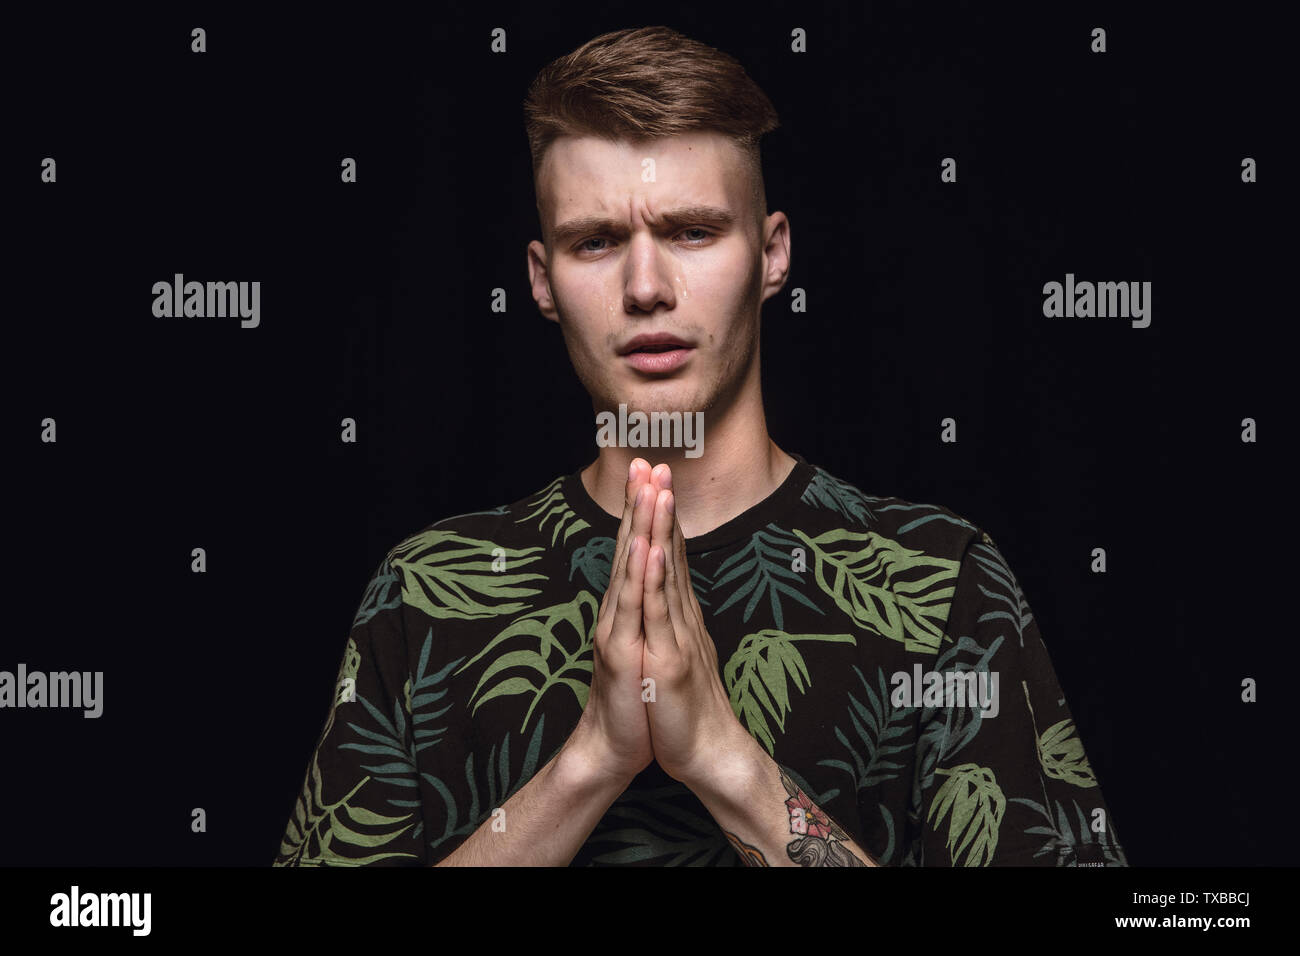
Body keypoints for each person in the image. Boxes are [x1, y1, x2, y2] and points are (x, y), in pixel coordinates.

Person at [273, 25, 1127, 867]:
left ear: (772, 253)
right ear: (541, 279)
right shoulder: (422, 596)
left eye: (692, 232)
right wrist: (591, 764)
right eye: (596, 242)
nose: (646, 288)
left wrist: (724, 760)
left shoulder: (943, 583)